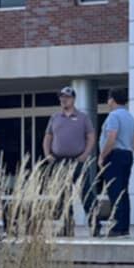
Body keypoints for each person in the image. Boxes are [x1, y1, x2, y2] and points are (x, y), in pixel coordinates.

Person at [42, 85, 97, 233]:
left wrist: (85, 154)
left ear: (73, 99)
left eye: (66, 97)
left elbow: (91, 137)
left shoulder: (83, 118)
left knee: (86, 193)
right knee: (61, 195)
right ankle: (67, 227)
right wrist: (48, 154)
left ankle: (95, 225)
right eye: (61, 97)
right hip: (59, 162)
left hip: (77, 161)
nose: (63, 100)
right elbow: (48, 138)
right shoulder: (55, 118)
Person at [98, 85, 134, 238]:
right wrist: (129, 152)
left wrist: (102, 156)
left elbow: (111, 137)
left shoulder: (113, 116)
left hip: (115, 156)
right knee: (124, 191)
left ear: (111, 100)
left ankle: (118, 227)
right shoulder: (129, 116)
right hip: (127, 154)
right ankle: (124, 226)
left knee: (115, 192)